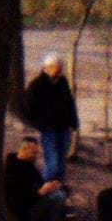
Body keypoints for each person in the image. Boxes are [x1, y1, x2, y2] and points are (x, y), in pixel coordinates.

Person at [4, 135, 71, 221]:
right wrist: (39, 193)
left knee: (61, 192)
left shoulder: (29, 165)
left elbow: (38, 185)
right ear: (24, 149)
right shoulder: (11, 169)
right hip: (22, 212)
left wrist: (50, 187)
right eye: (33, 153)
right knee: (57, 197)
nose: (36, 156)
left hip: (33, 204)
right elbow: (16, 198)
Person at [23, 54, 79, 184]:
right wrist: (40, 125)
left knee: (61, 164)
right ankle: (45, 191)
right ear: (48, 67)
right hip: (49, 130)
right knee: (52, 163)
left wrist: (74, 122)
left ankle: (58, 192)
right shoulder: (37, 85)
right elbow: (28, 109)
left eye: (61, 68)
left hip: (64, 129)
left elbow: (70, 103)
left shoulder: (63, 82)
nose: (60, 70)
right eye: (57, 68)